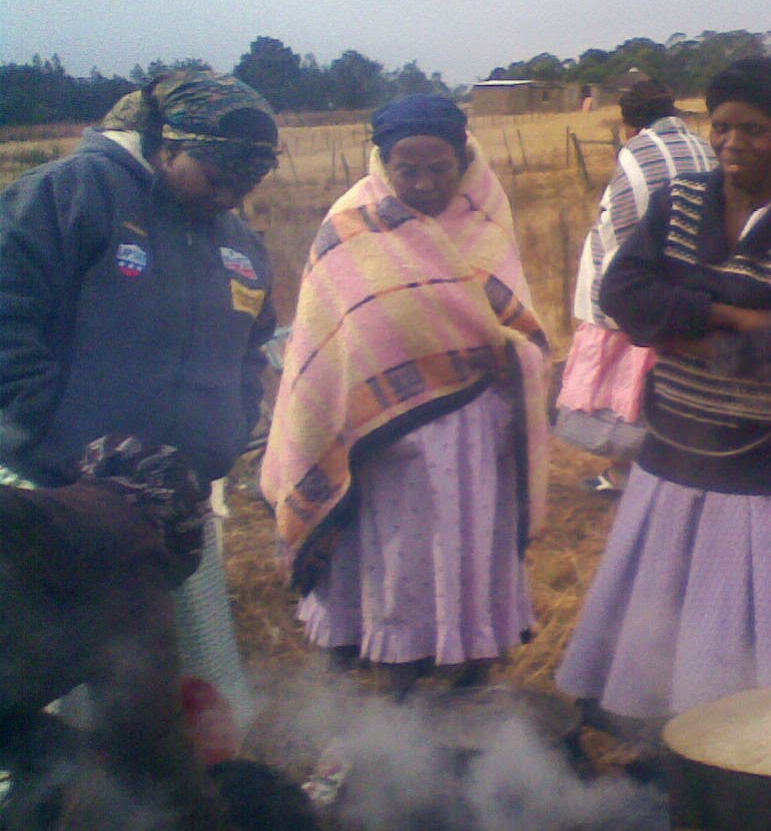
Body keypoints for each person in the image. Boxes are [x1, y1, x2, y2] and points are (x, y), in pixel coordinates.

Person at [556, 57, 771, 738]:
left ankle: (764, 759)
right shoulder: (681, 200)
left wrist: (678, 328)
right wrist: (729, 314)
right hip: (675, 454)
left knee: (763, 646)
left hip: (768, 463)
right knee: (665, 625)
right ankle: (663, 758)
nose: (732, 143)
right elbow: (622, 295)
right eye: (721, 127)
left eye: (753, 129)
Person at [0, 69, 279, 731]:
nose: (228, 196)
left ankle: (190, 801)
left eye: (244, 185)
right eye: (215, 177)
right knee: (65, 677)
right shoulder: (67, 196)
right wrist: (62, 445)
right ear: (165, 144)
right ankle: (60, 813)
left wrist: (226, 434)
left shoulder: (238, 242)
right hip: (59, 506)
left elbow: (250, 349)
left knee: (184, 672)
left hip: (174, 505)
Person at [261, 94, 551, 700]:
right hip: (383, 440)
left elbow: (517, 325)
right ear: (382, 162)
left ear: (462, 158)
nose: (423, 184)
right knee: (400, 561)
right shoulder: (350, 224)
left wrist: (511, 353)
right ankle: (394, 680)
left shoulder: (484, 215)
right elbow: (328, 342)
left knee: (468, 549)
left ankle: (469, 672)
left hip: (475, 434)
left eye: (438, 168)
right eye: (406, 169)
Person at [0, 436, 318, 831]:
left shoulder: (70, 524)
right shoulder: (129, 550)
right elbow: (153, 745)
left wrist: (76, 761)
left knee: (60, 762)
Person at [554, 77, 716, 495]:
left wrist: (613, 290)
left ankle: (627, 473)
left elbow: (621, 229)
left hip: (643, 291)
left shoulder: (636, 155)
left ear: (630, 124)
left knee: (631, 387)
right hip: (697, 285)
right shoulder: (702, 146)